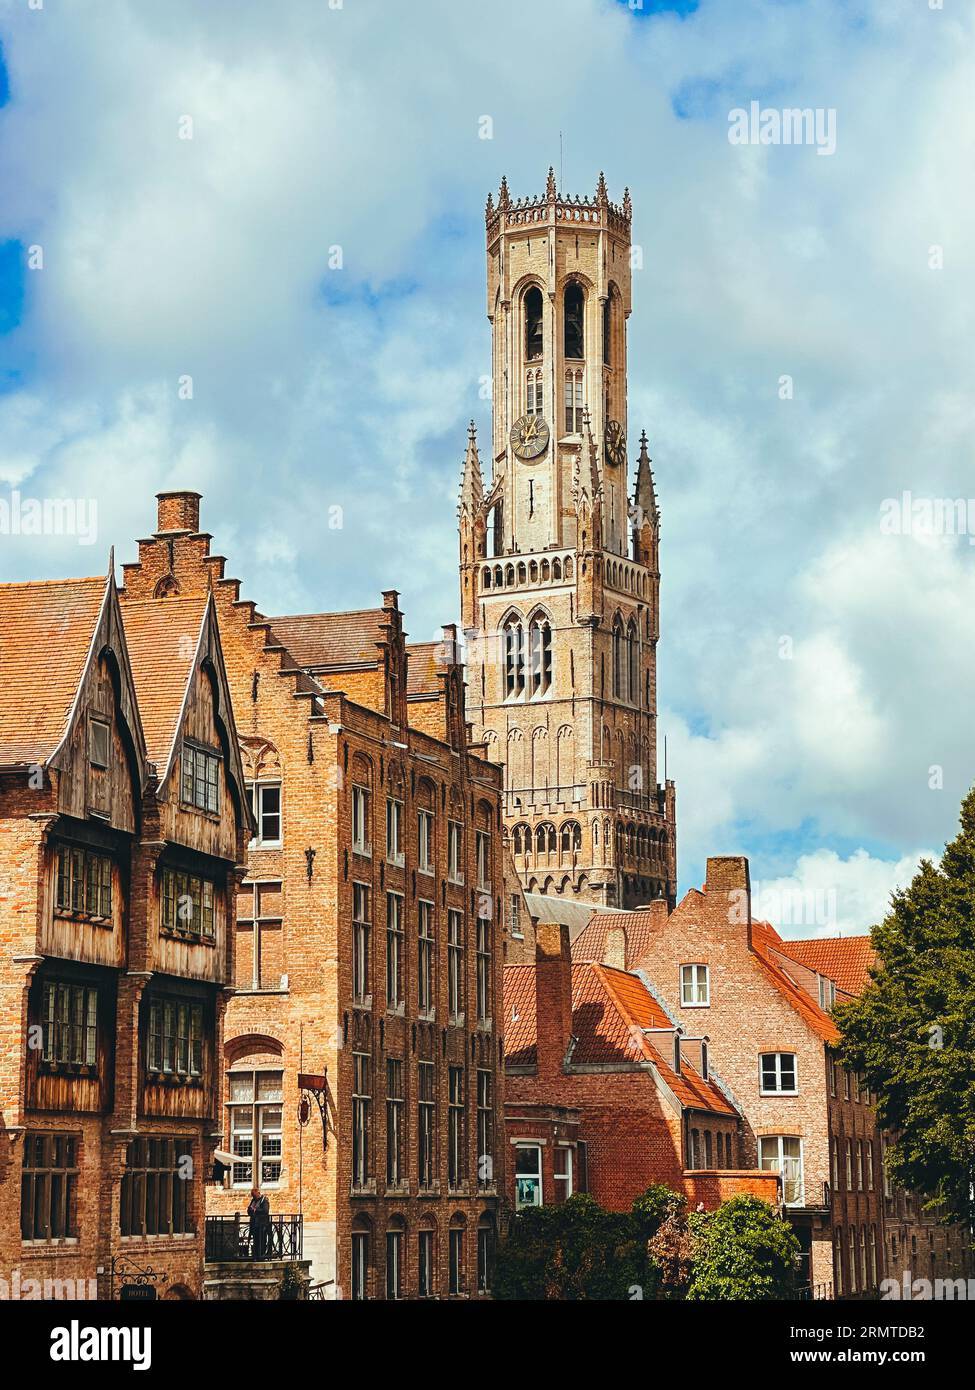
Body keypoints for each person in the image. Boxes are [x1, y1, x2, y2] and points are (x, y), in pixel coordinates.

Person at [247, 1187, 271, 1259]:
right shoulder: (253, 1200)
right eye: (252, 1195)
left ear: (258, 1193)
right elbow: (249, 1210)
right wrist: (251, 1210)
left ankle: (261, 1255)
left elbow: (265, 1211)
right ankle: (256, 1255)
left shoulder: (264, 1200)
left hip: (262, 1224)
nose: (253, 1197)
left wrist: (255, 1210)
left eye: (254, 1195)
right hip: (254, 1223)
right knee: (255, 1240)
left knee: (262, 1240)